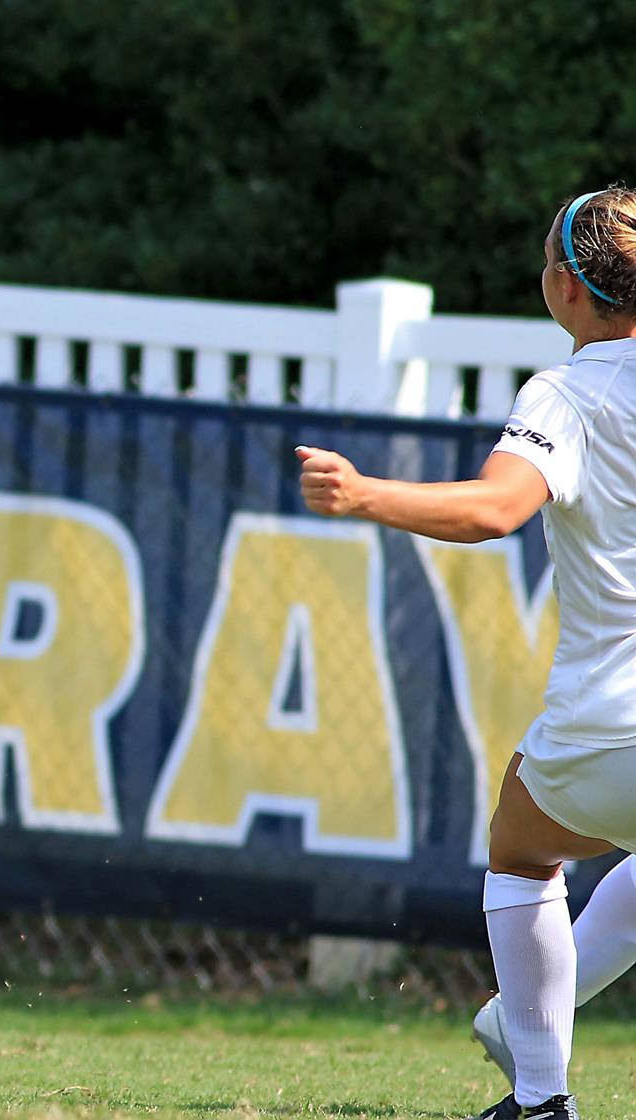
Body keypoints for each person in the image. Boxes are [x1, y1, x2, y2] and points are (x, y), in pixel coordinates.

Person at [295, 188, 636, 1120]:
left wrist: (363, 494)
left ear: (565, 288)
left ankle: (540, 1095)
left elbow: (493, 511)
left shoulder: (568, 392)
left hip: (614, 720)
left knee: (522, 853)